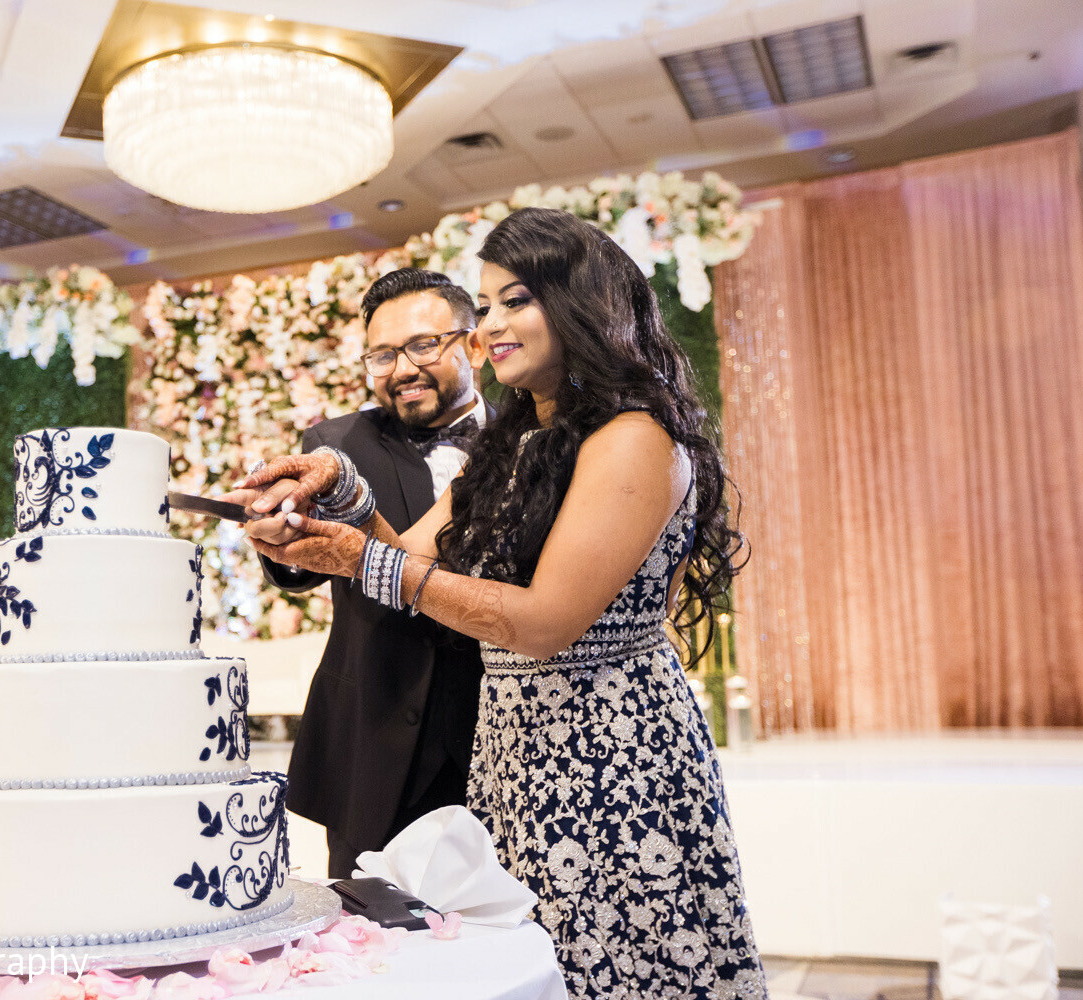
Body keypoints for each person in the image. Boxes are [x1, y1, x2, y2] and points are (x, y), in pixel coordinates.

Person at [235, 208, 766, 998]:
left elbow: (547, 622)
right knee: (518, 973)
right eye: (487, 305)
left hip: (608, 754)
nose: (494, 325)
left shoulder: (633, 437)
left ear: (581, 302)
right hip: (514, 759)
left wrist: (359, 557)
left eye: (516, 300)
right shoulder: (509, 444)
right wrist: (339, 493)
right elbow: (406, 549)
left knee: (608, 970)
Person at [243, 268, 492, 879]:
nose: (402, 369)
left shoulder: (531, 429)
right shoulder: (334, 445)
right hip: (375, 735)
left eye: (423, 345)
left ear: (474, 343)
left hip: (501, 728)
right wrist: (279, 545)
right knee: (373, 939)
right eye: (382, 355)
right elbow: (303, 571)